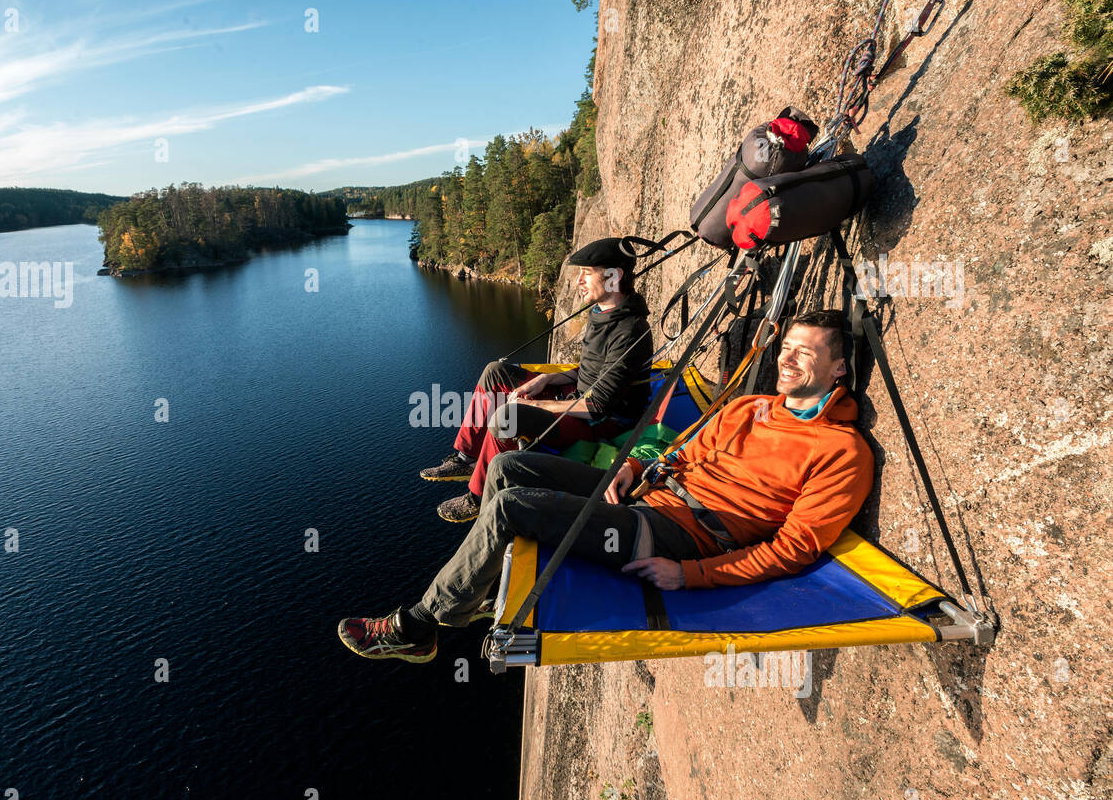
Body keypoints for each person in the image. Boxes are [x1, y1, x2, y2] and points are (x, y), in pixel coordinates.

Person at [339, 309, 874, 663]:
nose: (786, 357)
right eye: (787, 347)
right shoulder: (750, 407)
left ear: (839, 369)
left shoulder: (842, 452)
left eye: (806, 352)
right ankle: (478, 590)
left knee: (510, 507)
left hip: (679, 535)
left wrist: (691, 574)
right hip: (649, 495)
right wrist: (636, 469)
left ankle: (419, 626)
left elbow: (792, 550)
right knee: (508, 468)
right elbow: (684, 452)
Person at [419, 237, 654, 523]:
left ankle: (478, 496)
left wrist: (540, 405)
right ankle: (466, 459)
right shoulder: (602, 312)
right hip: (578, 398)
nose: (578, 280)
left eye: (587, 272)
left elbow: (598, 405)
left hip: (601, 422)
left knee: (508, 417)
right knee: (496, 371)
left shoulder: (631, 331)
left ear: (614, 276)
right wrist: (546, 379)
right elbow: (590, 370)